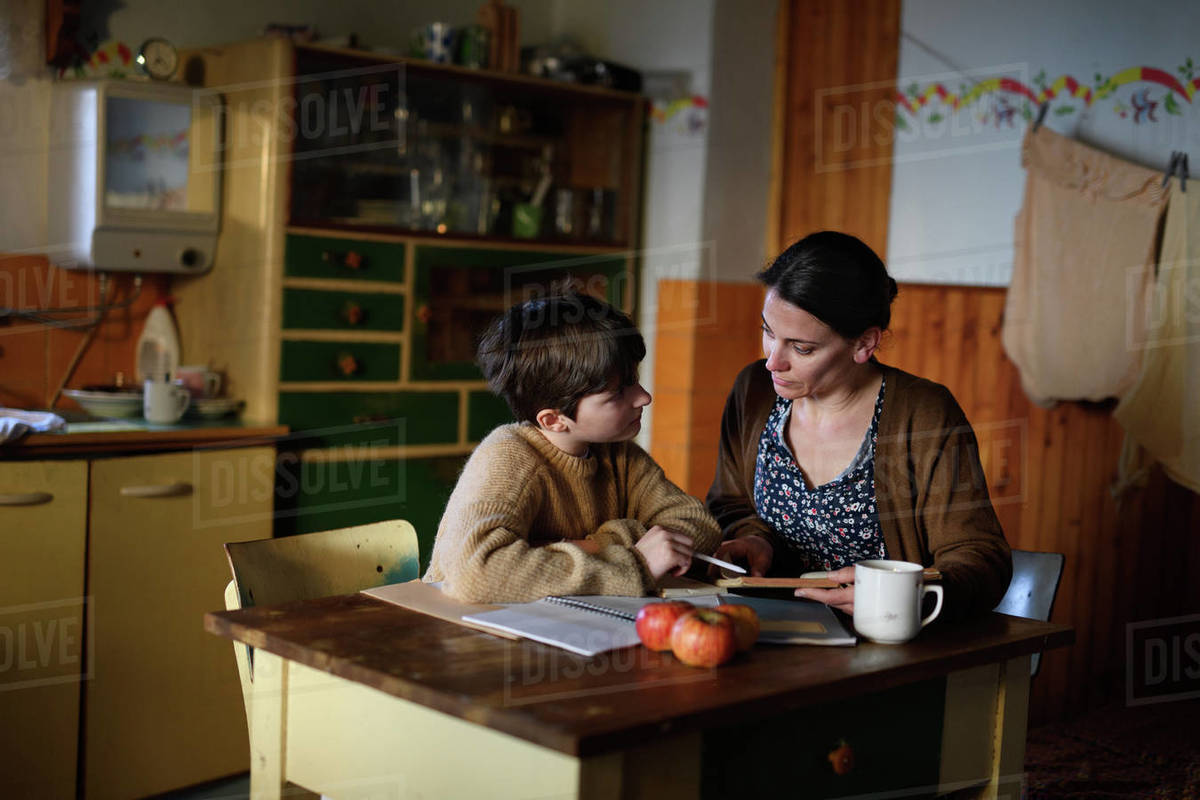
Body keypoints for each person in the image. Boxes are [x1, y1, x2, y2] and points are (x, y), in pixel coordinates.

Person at [707, 232, 1011, 621]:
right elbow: (729, 503)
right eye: (768, 332)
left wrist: (899, 597)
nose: (773, 362)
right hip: (763, 628)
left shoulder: (924, 414)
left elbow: (980, 559)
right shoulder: (754, 391)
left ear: (864, 343)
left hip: (884, 645)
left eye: (802, 348)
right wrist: (754, 539)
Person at [425, 293, 722, 603]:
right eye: (618, 393)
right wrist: (630, 555)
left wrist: (570, 547)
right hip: (464, 631)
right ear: (554, 420)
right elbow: (477, 574)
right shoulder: (508, 457)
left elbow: (699, 525)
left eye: (633, 379)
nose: (644, 397)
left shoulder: (619, 455)